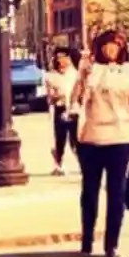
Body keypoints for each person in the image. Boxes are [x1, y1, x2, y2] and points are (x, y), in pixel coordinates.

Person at [73, 30, 129, 257]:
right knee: (89, 192)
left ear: (122, 48)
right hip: (91, 138)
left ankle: (111, 244)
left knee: (117, 194)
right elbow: (75, 101)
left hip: (121, 138)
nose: (110, 50)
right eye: (105, 45)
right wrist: (82, 77)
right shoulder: (91, 72)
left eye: (114, 45)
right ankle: (87, 240)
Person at [46, 48, 80, 176]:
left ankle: (83, 163)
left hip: (74, 109)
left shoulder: (75, 74)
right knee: (59, 139)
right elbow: (49, 97)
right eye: (58, 57)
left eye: (64, 57)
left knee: (76, 139)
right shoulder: (51, 76)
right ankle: (58, 164)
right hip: (60, 108)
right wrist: (56, 96)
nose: (61, 60)